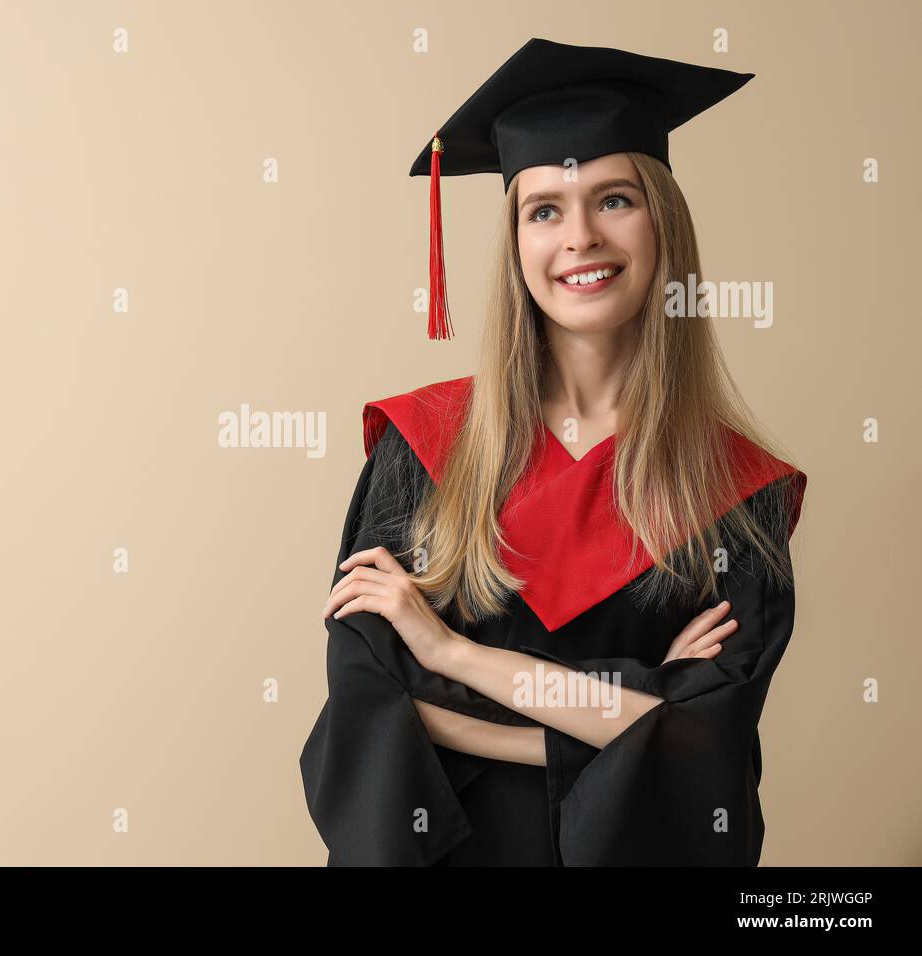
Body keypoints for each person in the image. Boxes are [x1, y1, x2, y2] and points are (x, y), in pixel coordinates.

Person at [298, 39, 808, 866]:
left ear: (663, 225)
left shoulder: (738, 495)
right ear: (517, 242)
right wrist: (630, 712)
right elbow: (369, 701)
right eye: (544, 209)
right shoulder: (423, 451)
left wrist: (451, 653)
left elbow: (704, 744)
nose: (579, 237)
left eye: (614, 199)